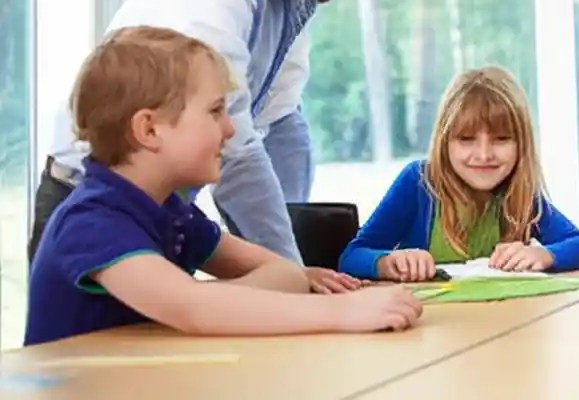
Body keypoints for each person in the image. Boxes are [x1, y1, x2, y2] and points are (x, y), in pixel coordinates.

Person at [33, 0, 396, 293]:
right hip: (94, 200)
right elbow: (238, 147)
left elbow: (280, 121)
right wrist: (293, 275)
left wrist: (295, 267)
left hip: (165, 209)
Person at [25, 27, 421, 346]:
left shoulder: (173, 213)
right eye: (215, 111)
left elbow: (285, 273)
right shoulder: (91, 222)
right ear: (149, 129)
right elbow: (194, 309)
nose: (230, 128)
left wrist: (222, 303)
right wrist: (344, 312)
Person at [338, 67, 579, 280]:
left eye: (501, 139)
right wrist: (386, 262)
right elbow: (352, 256)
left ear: (522, 144)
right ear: (444, 142)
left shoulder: (519, 193)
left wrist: (546, 255)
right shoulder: (418, 182)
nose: (483, 155)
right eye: (466, 139)